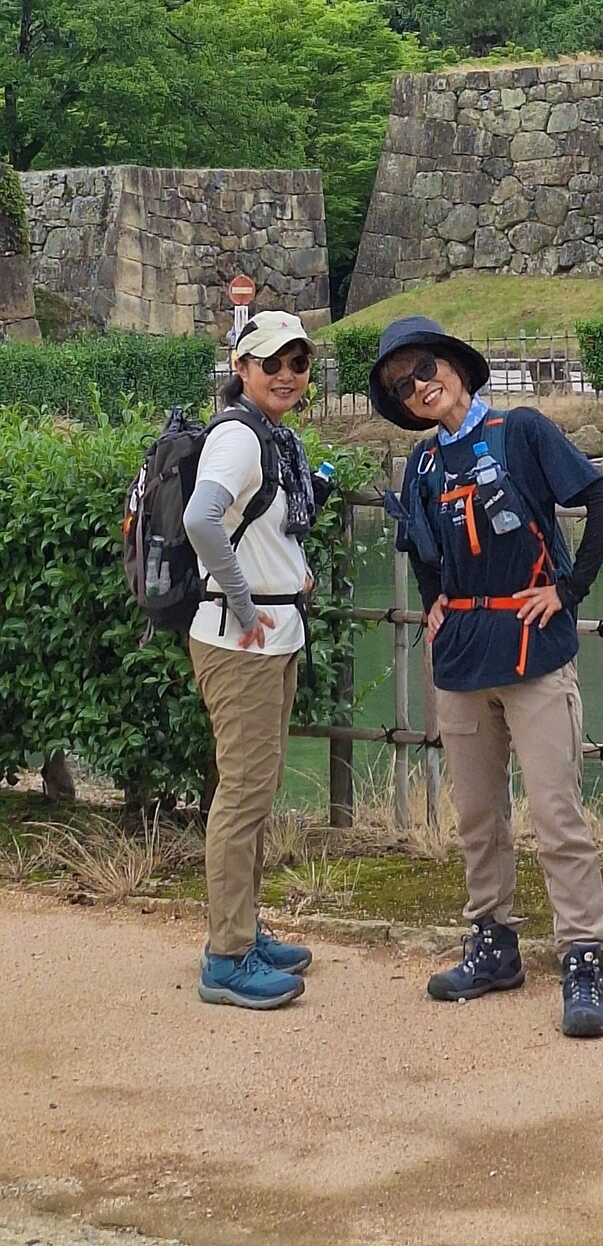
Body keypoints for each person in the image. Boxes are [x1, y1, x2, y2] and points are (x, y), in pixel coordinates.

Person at [371, 315, 603, 1039]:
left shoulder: (522, 430)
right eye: (402, 384)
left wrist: (569, 590)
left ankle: (581, 955)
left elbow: (600, 501)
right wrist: (432, 602)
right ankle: (493, 943)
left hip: (532, 643)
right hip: (461, 655)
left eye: (425, 369)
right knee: (478, 814)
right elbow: (418, 545)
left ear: (452, 364)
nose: (420, 387)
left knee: (555, 811)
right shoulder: (421, 465)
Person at [183, 310, 321, 1011]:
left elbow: (257, 526)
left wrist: (289, 571)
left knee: (254, 792)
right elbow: (200, 521)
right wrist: (242, 603)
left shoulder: (273, 439)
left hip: (272, 637)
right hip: (241, 643)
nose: (286, 376)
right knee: (240, 798)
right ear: (241, 367)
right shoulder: (239, 437)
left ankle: (244, 929)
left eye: (297, 362)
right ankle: (226, 957)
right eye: (271, 363)